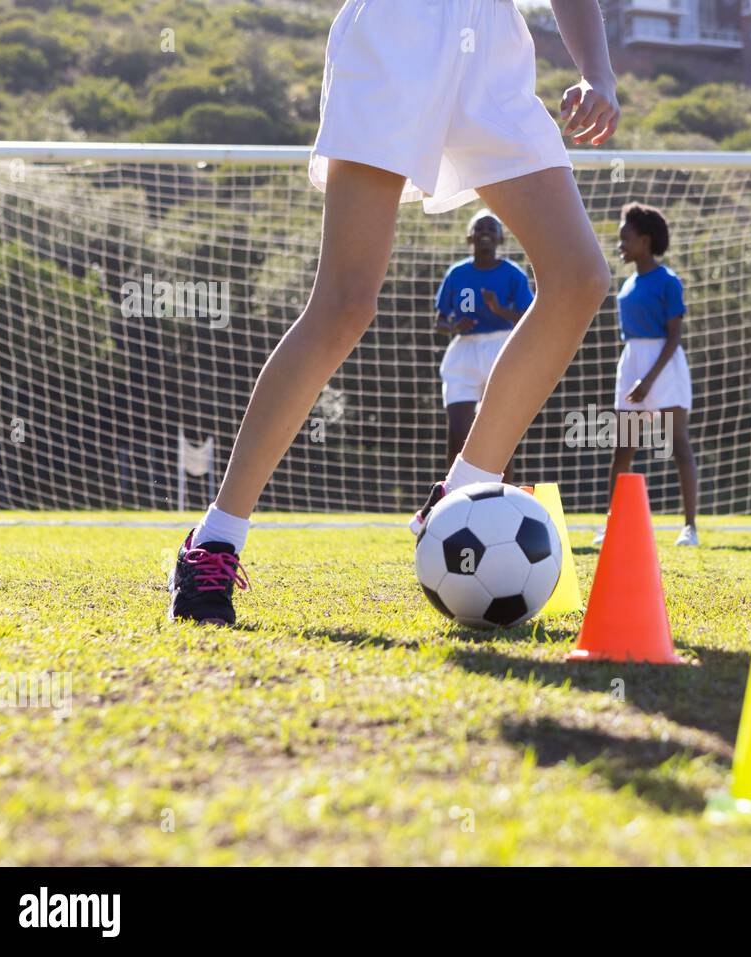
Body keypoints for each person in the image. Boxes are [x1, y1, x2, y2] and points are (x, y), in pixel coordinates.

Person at [169, 0, 618, 625]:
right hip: (398, 33)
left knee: (579, 279)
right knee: (345, 305)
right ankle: (213, 542)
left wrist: (598, 72)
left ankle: (460, 494)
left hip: (492, 48)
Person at [597, 202, 698, 548]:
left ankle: (689, 527)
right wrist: (636, 377)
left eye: (625, 238)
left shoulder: (668, 281)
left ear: (645, 240)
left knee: (678, 444)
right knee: (623, 449)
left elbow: (674, 336)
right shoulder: (626, 285)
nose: (620, 245)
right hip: (632, 361)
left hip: (663, 366)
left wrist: (650, 380)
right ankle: (612, 523)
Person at [434, 208, 533, 484]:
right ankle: (452, 496)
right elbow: (439, 320)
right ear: (470, 237)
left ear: (501, 238)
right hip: (463, 351)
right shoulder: (457, 274)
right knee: (458, 432)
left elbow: (530, 316)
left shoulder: (513, 274)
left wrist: (499, 310)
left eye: (491, 229)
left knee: (500, 432)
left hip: (501, 348)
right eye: (480, 228)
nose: (485, 233)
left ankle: (503, 495)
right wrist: (454, 327)